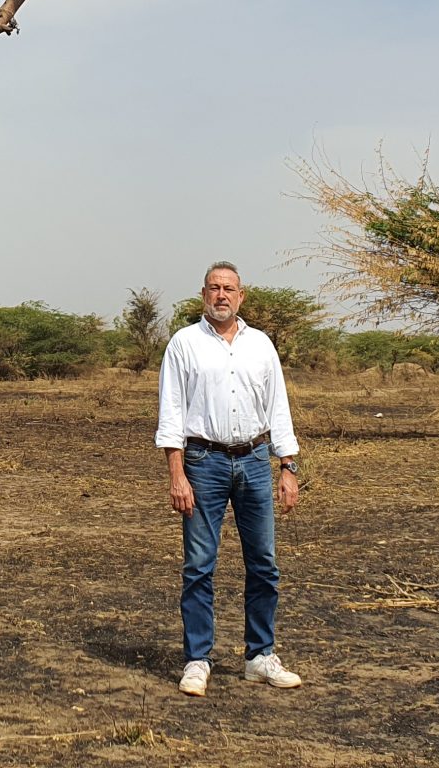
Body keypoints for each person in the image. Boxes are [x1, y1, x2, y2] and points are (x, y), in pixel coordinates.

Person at [155, 261, 302, 696]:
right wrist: (177, 474)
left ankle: (260, 657)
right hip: (204, 462)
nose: (222, 295)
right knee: (199, 565)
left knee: (264, 564)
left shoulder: (261, 345)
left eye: (230, 289)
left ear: (241, 296)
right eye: (214, 288)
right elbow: (172, 413)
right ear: (203, 294)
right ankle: (198, 660)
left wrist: (288, 467)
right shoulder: (184, 344)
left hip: (255, 460)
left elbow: (279, 408)